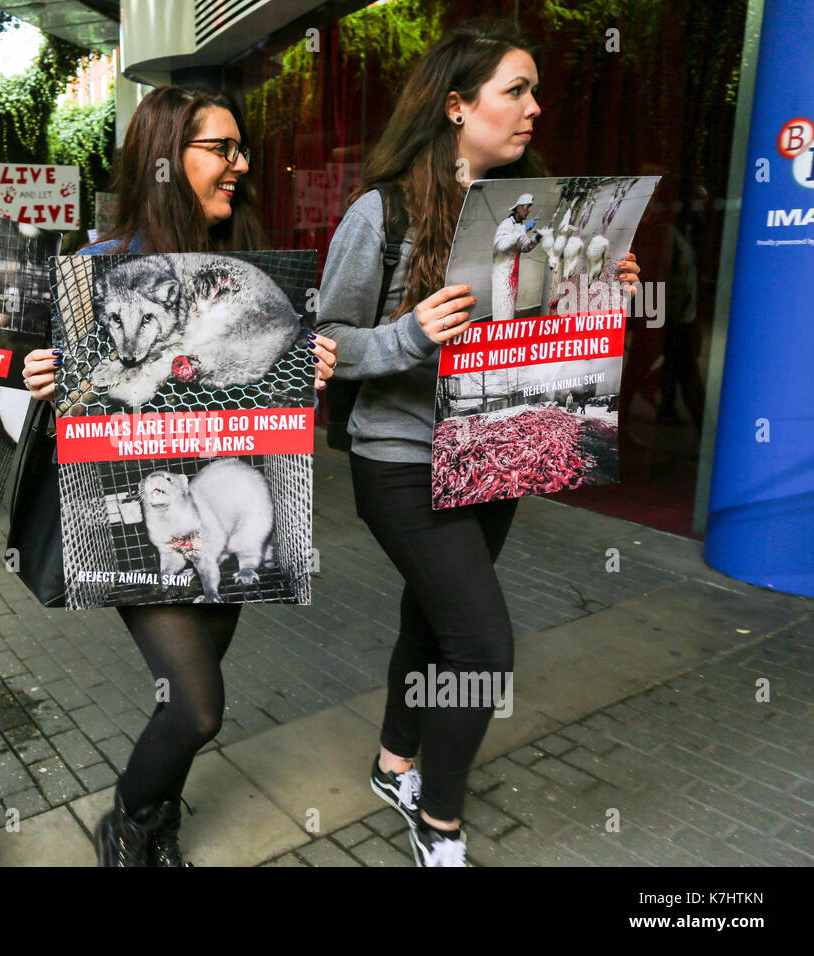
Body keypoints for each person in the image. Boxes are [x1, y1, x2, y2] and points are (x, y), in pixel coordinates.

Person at [317, 21, 639, 867]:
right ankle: (440, 826)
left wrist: (600, 293)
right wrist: (406, 337)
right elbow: (324, 343)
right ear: (456, 106)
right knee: (484, 646)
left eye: (536, 91)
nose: (536, 107)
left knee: (435, 620)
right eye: (515, 90)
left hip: (494, 453)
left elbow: (539, 346)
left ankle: (395, 764)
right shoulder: (379, 211)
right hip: (401, 462)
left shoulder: (539, 215)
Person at [23, 85, 338, 866]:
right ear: (165, 159)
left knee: (185, 699)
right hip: (143, 511)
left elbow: (260, 388)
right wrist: (38, 376)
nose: (239, 165)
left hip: (226, 502)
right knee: (198, 708)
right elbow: (56, 391)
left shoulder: (252, 274)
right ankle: (127, 823)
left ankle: (157, 823)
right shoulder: (95, 274)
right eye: (219, 149)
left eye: (240, 150)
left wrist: (312, 364)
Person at [491, 193, 542, 321]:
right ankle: (499, 337)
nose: (529, 210)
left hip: (513, 274)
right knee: (502, 309)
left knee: (509, 310)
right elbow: (500, 245)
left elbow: (526, 247)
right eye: (527, 206)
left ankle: (506, 337)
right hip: (502, 275)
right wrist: (521, 231)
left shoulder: (519, 227)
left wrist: (538, 237)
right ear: (519, 207)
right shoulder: (507, 224)